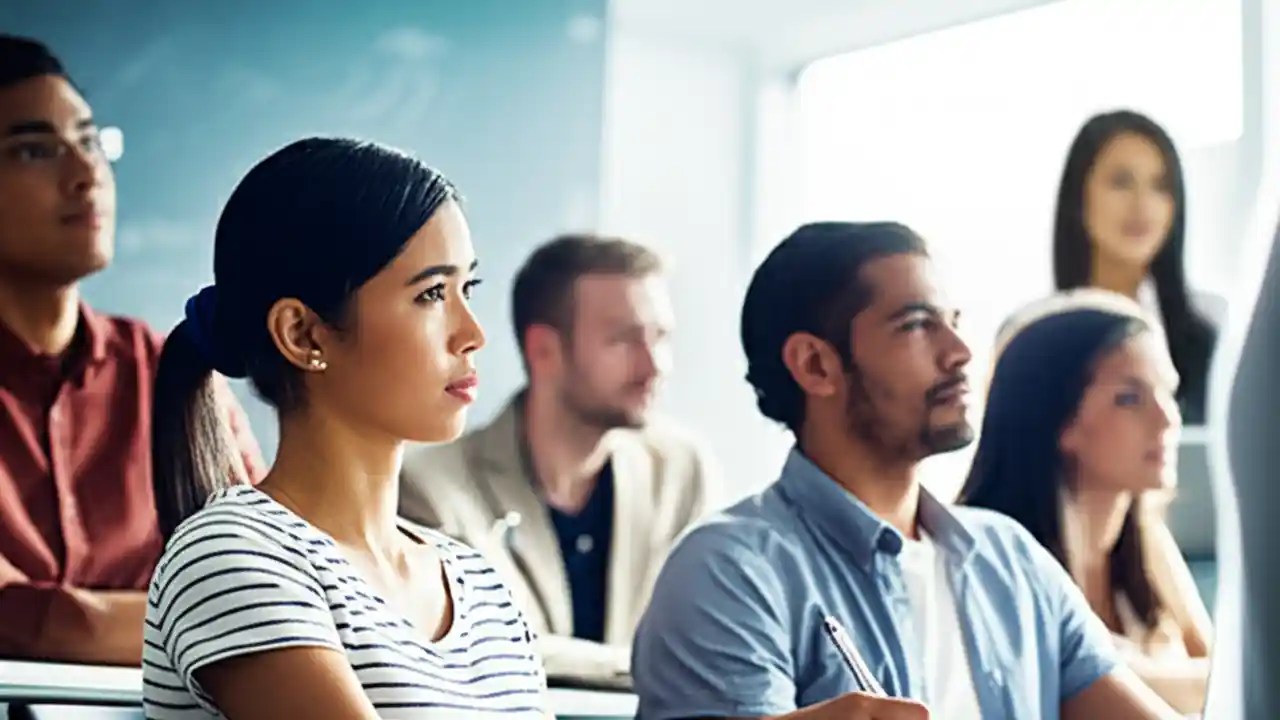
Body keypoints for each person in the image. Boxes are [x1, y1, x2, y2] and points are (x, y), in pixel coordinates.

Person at [631, 222, 1181, 719]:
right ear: (816, 365)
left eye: (954, 323)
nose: (960, 352)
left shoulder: (1010, 561)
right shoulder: (731, 572)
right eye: (917, 325)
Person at [142, 138, 549, 719]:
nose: (473, 333)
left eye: (468, 290)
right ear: (303, 334)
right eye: (432, 294)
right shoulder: (233, 554)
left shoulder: (482, 585)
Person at [0, 35, 261, 666]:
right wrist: (202, 618)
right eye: (35, 149)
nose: (86, 174)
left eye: (91, 142)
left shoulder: (168, 369)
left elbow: (269, 586)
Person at [401, 234, 716, 682]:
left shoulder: (681, 471)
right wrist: (648, 665)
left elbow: (709, 638)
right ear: (544, 350)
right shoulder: (430, 488)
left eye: (660, 336)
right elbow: (486, 647)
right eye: (624, 339)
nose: (655, 366)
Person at [959, 290, 1213, 714]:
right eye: (1129, 398)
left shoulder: (1149, 544)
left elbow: (1225, 680)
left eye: (1168, 392)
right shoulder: (995, 566)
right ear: (1059, 422)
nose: (1167, 418)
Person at [1053, 109, 1218, 424]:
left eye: (1160, 186)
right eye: (1121, 182)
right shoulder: (1035, 341)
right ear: (1078, 196)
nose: (1142, 204)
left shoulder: (1214, 333)